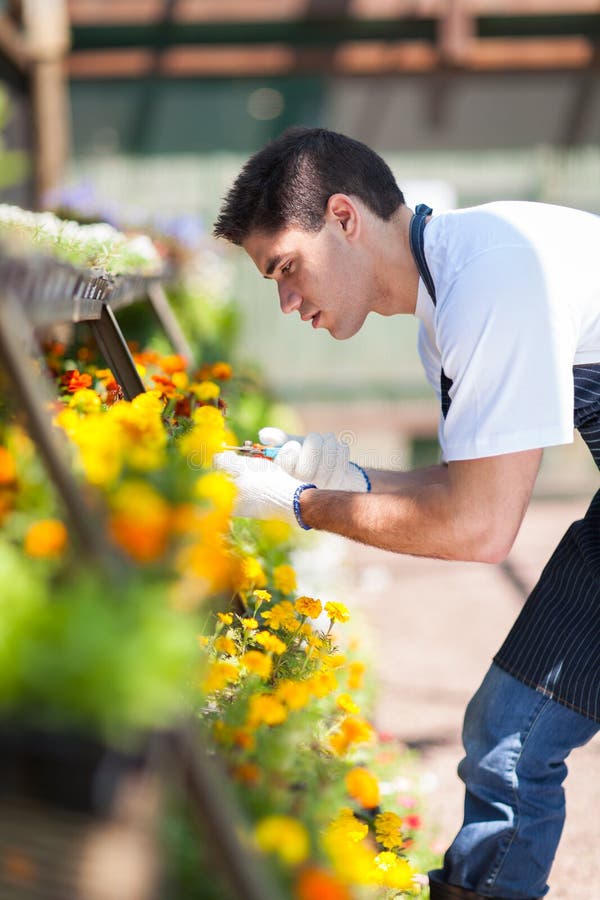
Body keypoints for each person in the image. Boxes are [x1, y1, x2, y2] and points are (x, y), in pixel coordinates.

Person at [212, 127, 600, 900]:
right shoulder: (449, 293)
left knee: (512, 739)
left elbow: (482, 530)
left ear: (345, 217)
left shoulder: (489, 278)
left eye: (286, 267)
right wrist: (347, 474)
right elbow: (468, 487)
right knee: (508, 738)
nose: (287, 301)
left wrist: (303, 506)